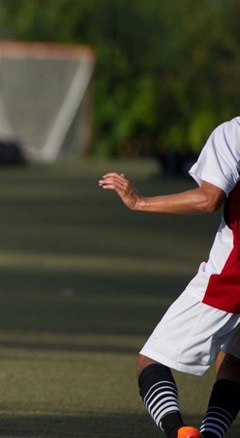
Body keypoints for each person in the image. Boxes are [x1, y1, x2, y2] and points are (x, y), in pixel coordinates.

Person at [99, 117, 240, 438]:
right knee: (233, 363)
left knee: (151, 360)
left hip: (231, 277)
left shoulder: (234, 132)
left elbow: (209, 199)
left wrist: (140, 202)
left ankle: (178, 432)